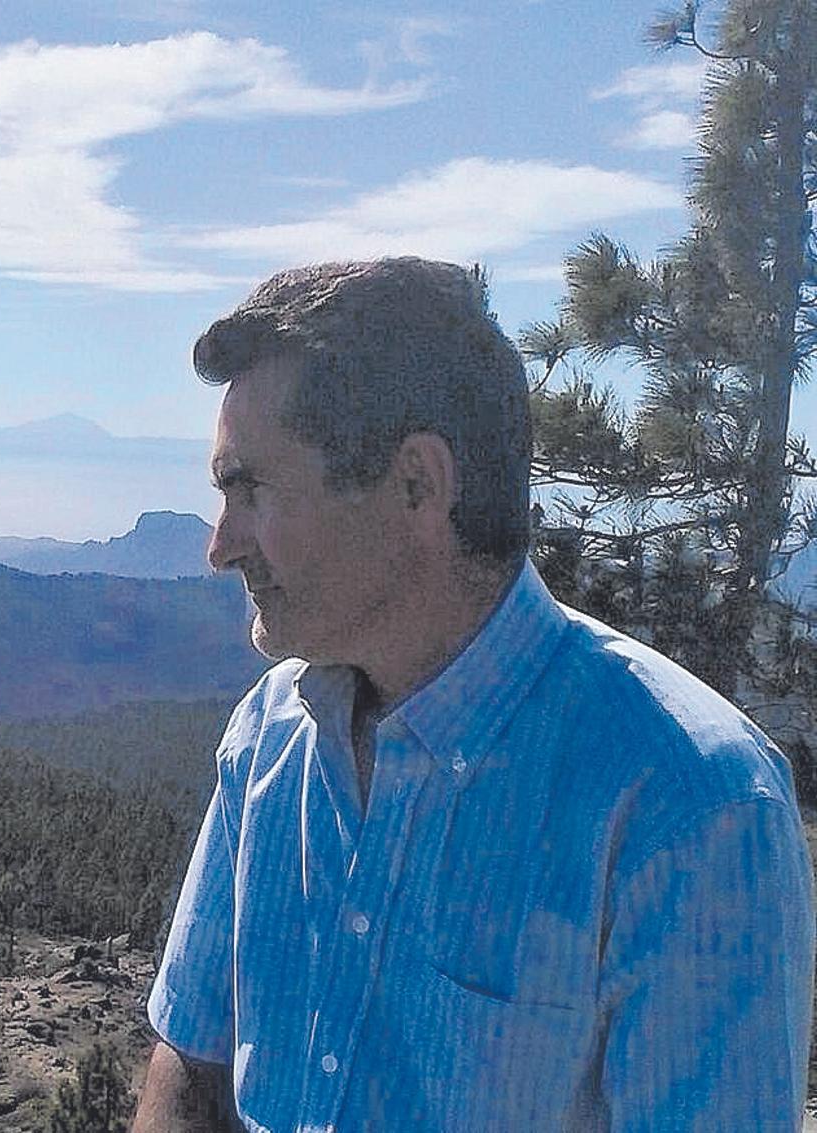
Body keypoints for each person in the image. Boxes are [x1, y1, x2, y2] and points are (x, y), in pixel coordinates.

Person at [131, 257, 815, 1132]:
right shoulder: (267, 739)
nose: (219, 546)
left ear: (417, 484)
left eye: (250, 488)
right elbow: (192, 1061)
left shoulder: (689, 807)